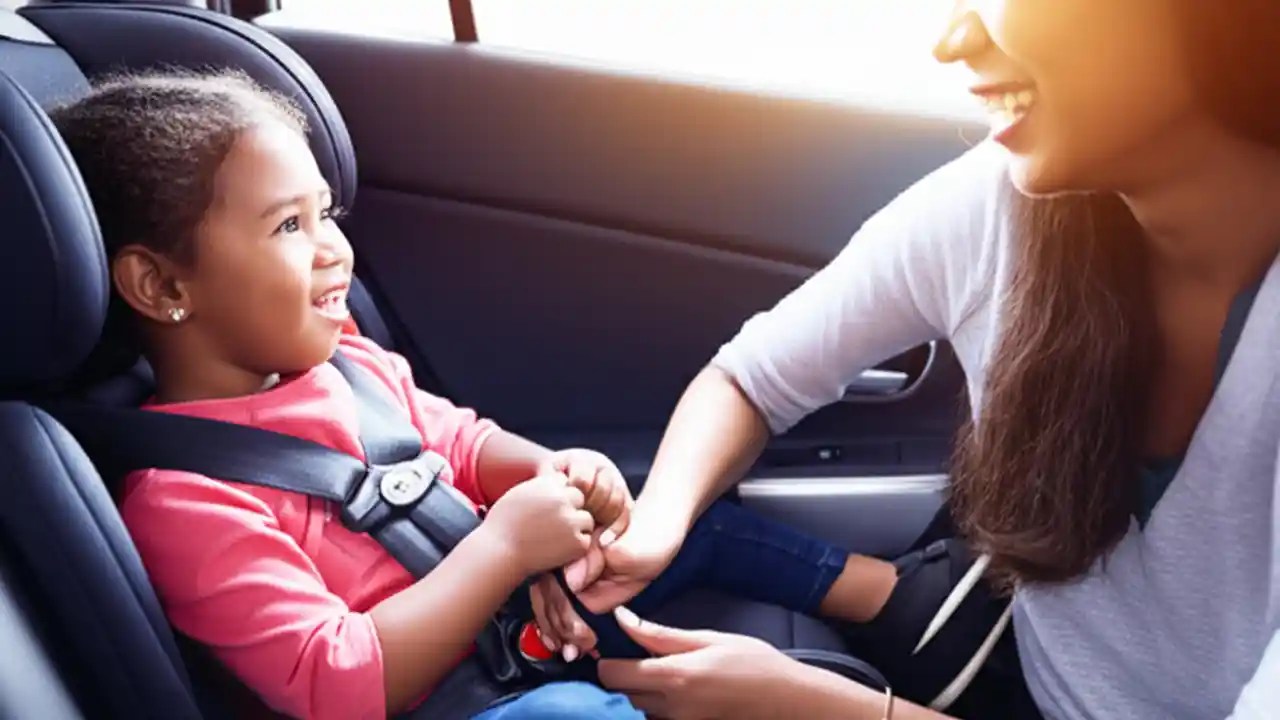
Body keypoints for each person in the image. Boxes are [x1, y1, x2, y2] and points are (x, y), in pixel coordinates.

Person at [49, 71, 993, 720]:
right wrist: (503, 550)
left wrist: (554, 476)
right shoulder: (185, 498)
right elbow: (336, 682)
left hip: (512, 610)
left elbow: (459, 445)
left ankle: (891, 597)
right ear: (163, 288)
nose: (334, 247)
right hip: (455, 701)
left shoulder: (346, 365)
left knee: (671, 513)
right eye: (289, 226)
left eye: (326, 214)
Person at [538, 2, 1280, 718]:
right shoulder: (1003, 206)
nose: (953, 39)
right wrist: (660, 523)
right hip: (1015, 649)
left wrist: (825, 710)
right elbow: (749, 379)